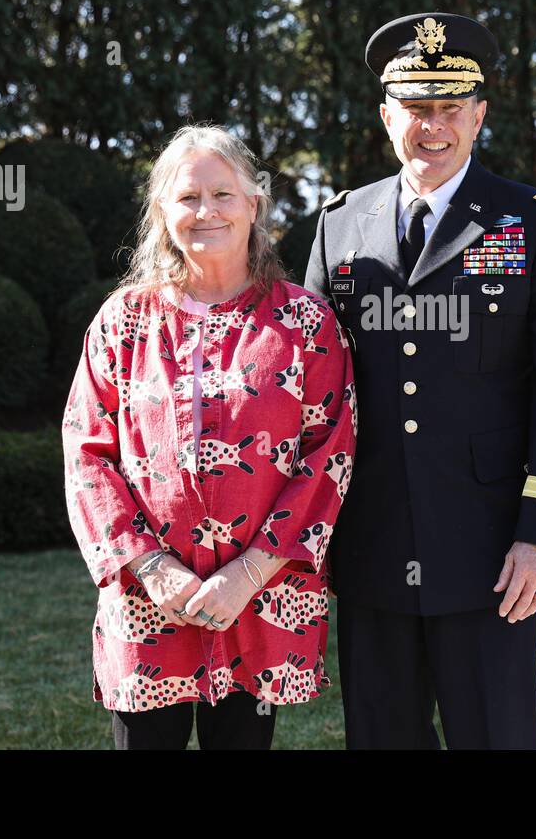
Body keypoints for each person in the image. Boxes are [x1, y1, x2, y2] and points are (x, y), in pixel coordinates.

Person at [304, 12, 536, 749]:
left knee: (498, 736)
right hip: (371, 549)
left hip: (493, 556)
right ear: (386, 116)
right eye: (415, 108)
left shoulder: (533, 222)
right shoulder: (339, 225)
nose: (431, 127)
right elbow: (308, 386)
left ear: (478, 115)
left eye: (449, 109)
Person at [63, 124, 356, 749]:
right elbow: (88, 454)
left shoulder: (306, 323)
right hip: (149, 600)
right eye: (187, 197)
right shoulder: (122, 321)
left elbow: (329, 454)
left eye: (222, 194)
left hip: (262, 595)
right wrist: (152, 568)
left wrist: (249, 574)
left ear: (255, 203)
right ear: (162, 211)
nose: (206, 212)